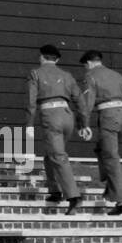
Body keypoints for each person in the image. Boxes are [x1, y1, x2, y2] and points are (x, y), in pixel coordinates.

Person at [79, 50, 122, 216]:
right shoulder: (117, 76)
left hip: (109, 118)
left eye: (85, 66)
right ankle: (111, 186)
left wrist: (84, 125)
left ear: (89, 63)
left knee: (111, 158)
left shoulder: (90, 76)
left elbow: (87, 103)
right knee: (102, 150)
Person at [26, 44, 91, 213]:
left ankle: (73, 197)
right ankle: (54, 190)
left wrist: (29, 125)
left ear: (41, 57)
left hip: (50, 115)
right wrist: (83, 124)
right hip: (67, 115)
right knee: (51, 154)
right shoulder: (67, 76)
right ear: (57, 59)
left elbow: (31, 102)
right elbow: (80, 101)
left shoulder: (36, 73)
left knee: (57, 155)